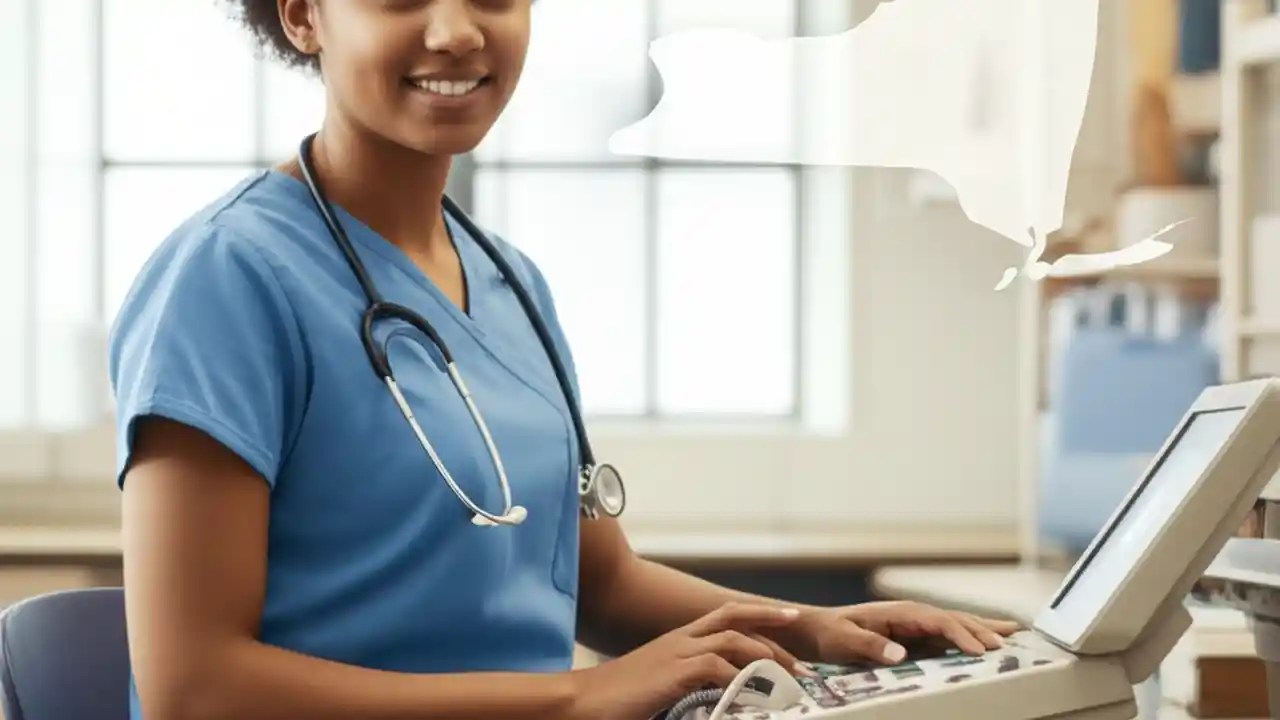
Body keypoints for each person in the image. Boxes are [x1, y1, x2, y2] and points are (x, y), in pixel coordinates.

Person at [109, 1, 1018, 718]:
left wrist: (814, 632)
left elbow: (601, 583)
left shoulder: (512, 284)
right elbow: (197, 688)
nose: (457, 29)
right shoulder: (229, 279)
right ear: (304, 13)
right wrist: (575, 699)